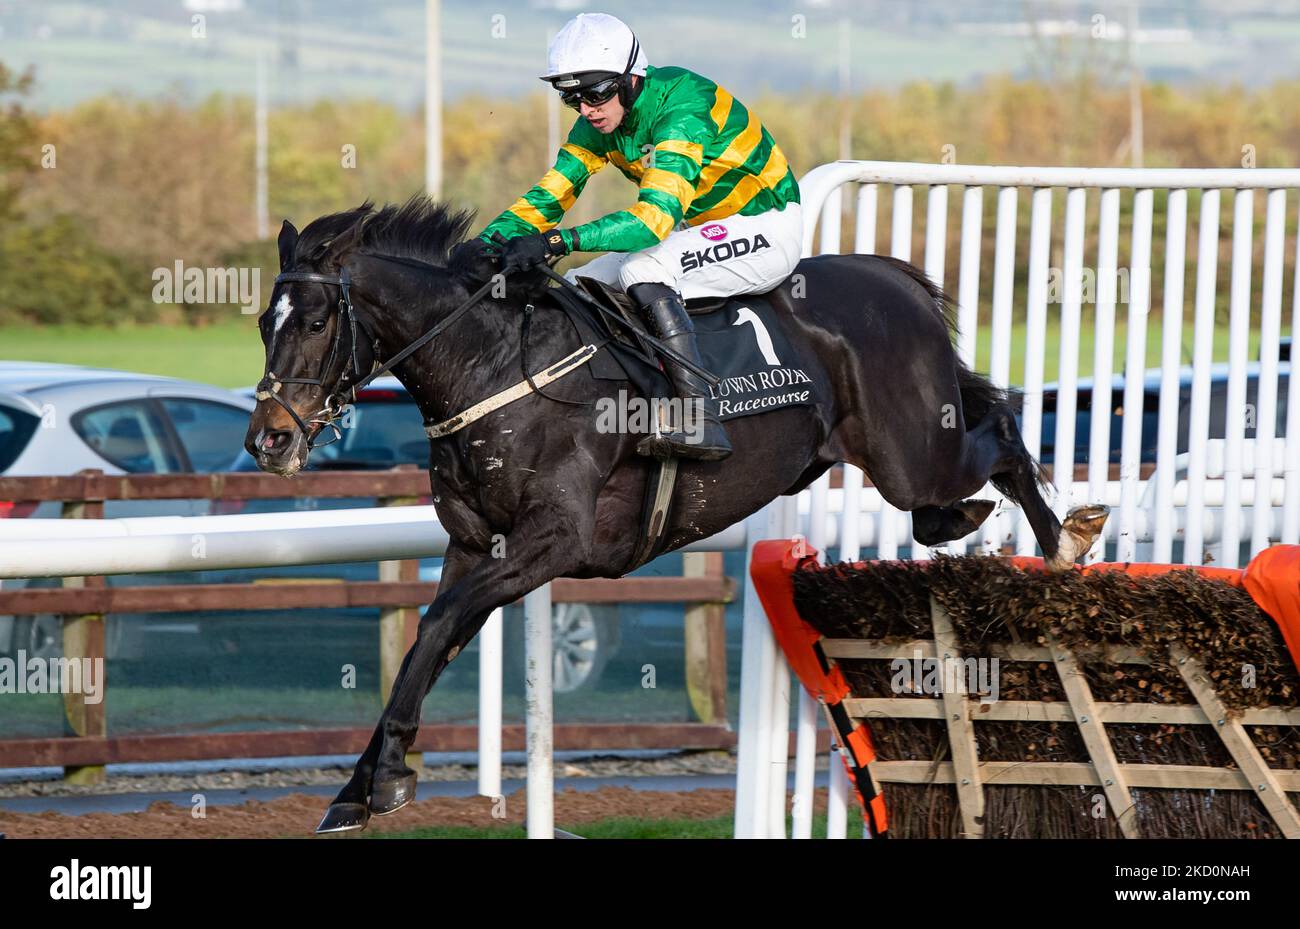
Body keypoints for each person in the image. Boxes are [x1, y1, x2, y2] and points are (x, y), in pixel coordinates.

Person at [470, 12, 803, 462]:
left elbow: (652, 222)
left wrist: (555, 243)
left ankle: (699, 418)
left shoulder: (683, 107)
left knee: (642, 267)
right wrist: (489, 242)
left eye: (597, 92)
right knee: (583, 285)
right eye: (573, 98)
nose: (587, 108)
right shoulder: (596, 124)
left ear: (631, 79)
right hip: (699, 231)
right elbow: (551, 195)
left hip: (766, 226)